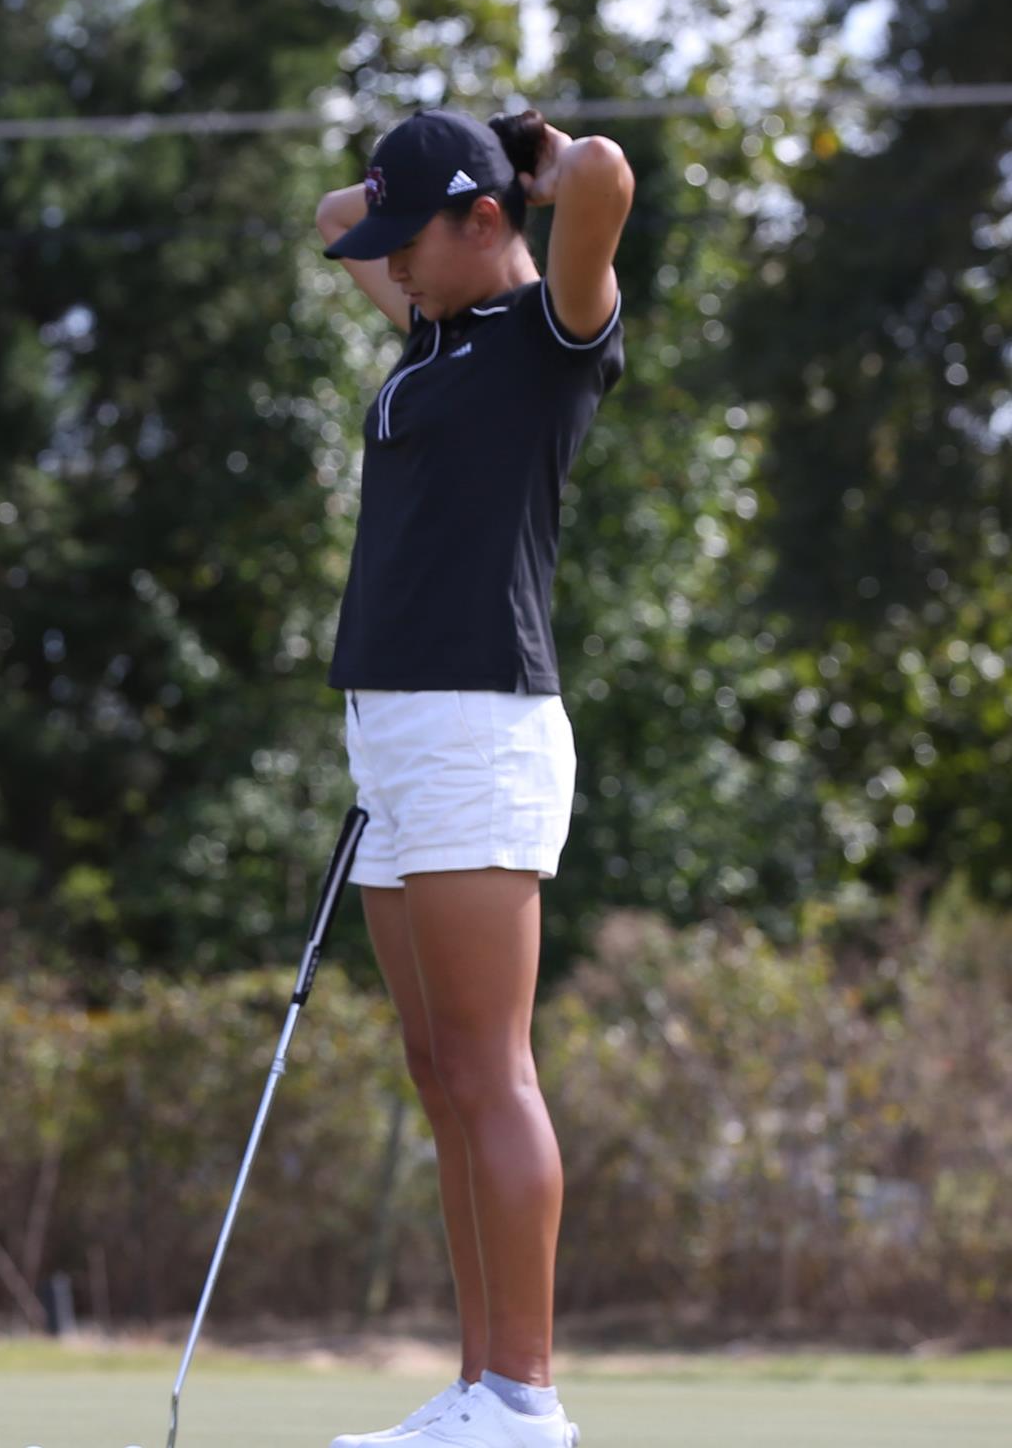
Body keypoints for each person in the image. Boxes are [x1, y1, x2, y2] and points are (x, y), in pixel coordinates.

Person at [311, 107, 634, 1448]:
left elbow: (605, 177)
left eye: (420, 239)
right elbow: (339, 216)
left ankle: (525, 1398)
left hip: (477, 722)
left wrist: (534, 165)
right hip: (390, 727)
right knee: (437, 1066)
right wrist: (432, 186)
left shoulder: (551, 335)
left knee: (492, 1067)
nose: (392, 263)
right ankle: (474, 1391)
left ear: (488, 221)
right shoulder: (435, 329)